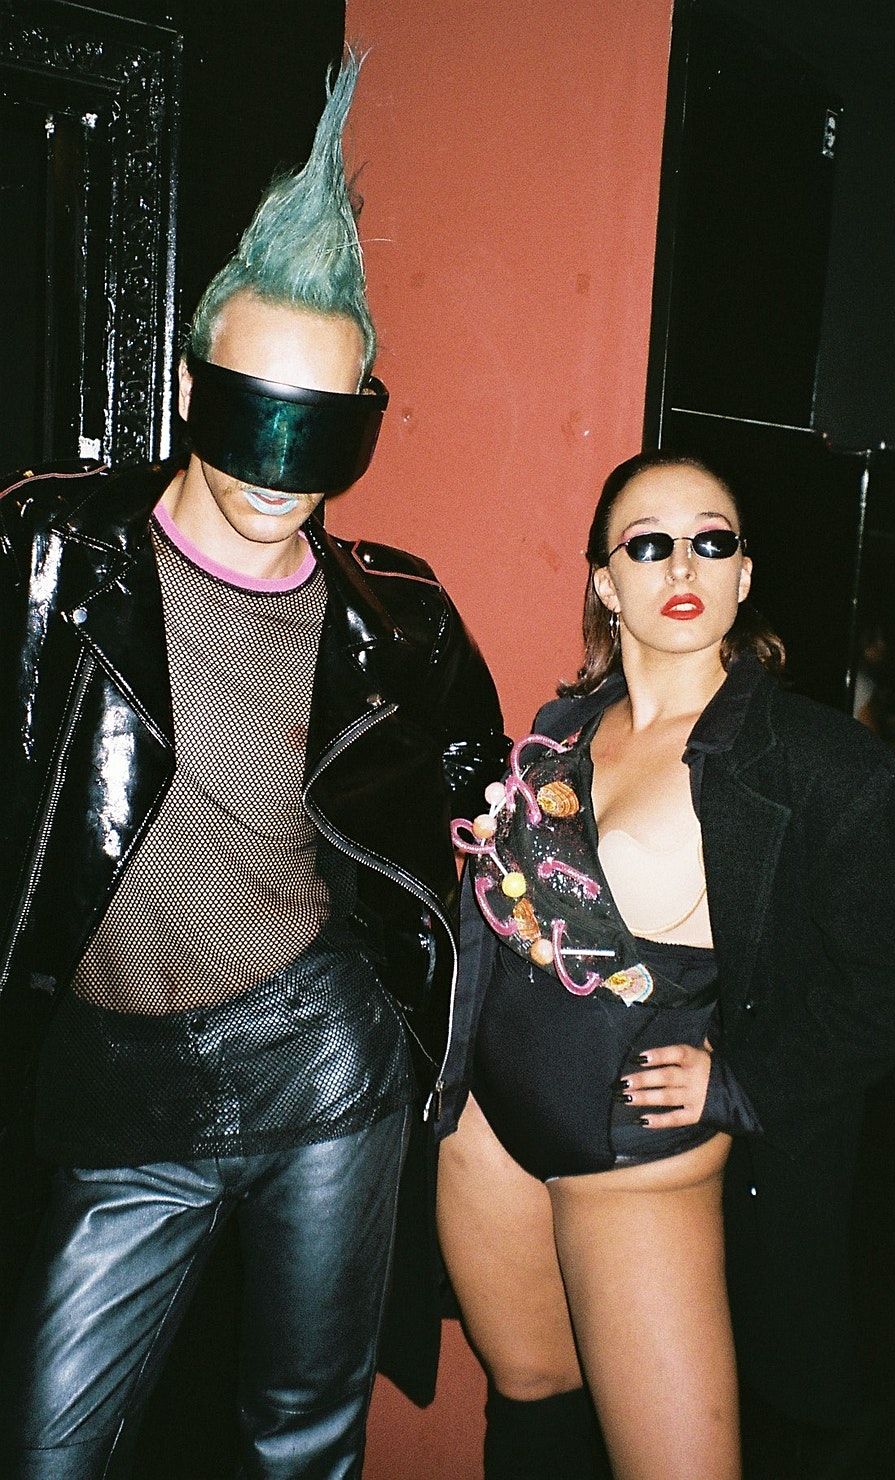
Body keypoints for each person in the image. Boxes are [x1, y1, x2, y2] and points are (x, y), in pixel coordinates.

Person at [0, 54, 504, 1480]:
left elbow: (479, 777)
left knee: (302, 1441)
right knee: (45, 1445)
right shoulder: (53, 552)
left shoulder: (396, 616)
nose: (283, 470)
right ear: (186, 386)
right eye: (253, 415)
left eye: (323, 428)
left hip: (318, 1063)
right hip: (120, 1088)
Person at [434, 451, 895, 1479]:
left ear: (744, 574)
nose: (682, 564)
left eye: (712, 541)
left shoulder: (819, 764)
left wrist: (745, 1082)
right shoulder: (560, 732)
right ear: (604, 581)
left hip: (637, 1155)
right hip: (488, 1135)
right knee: (530, 1409)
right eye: (648, 544)